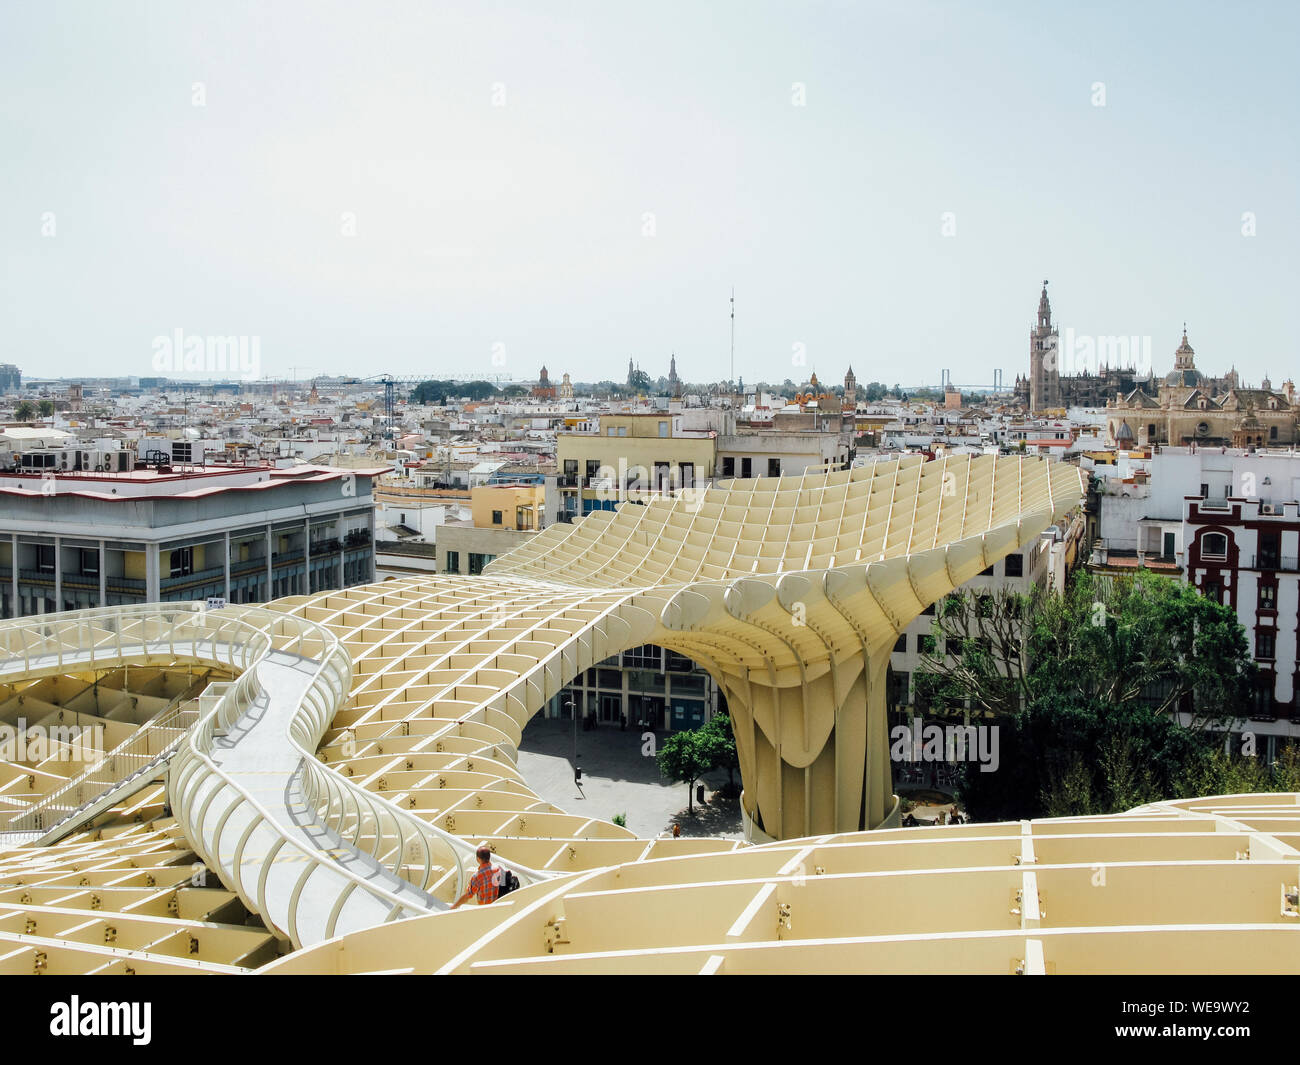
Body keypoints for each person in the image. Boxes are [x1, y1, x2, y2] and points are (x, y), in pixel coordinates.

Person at [451, 844, 501, 909]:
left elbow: (468, 896)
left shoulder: (477, 876)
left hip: (484, 909)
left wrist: (454, 906)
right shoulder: (497, 869)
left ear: (478, 859)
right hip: (496, 906)